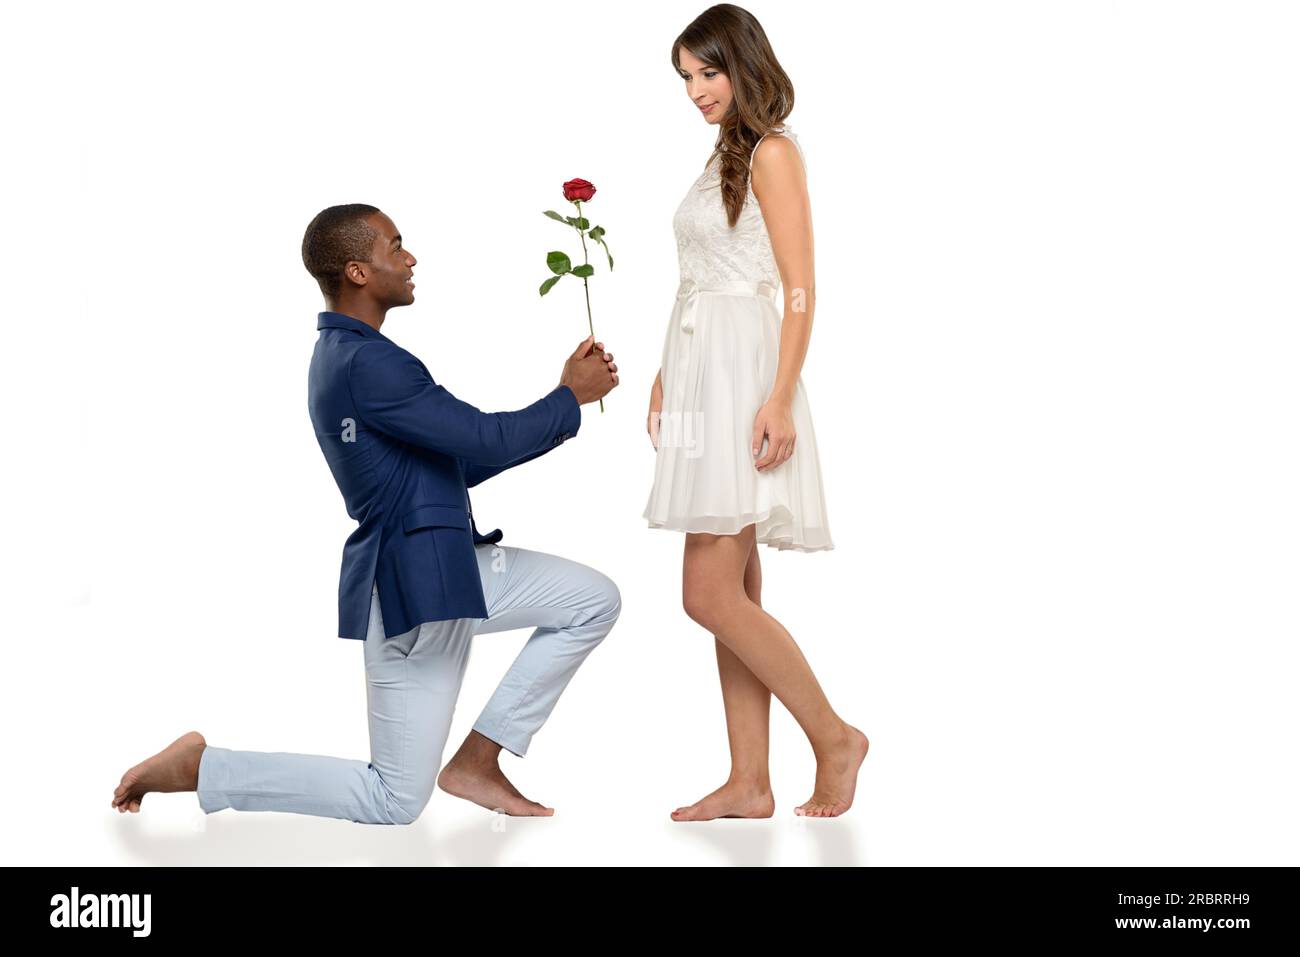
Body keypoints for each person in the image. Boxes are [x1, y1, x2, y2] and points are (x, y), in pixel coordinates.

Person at [111, 204, 620, 823]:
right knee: (395, 799)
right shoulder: (371, 363)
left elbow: (454, 464)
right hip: (421, 585)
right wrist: (569, 397)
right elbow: (483, 439)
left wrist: (561, 408)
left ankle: (480, 760)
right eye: (395, 246)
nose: (410, 258)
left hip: (443, 571)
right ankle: (203, 769)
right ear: (357, 270)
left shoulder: (342, 358)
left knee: (592, 599)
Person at [643, 4, 869, 819]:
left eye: (708, 72)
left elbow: (801, 286)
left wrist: (777, 394)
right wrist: (667, 372)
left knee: (707, 592)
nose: (696, 91)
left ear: (743, 63)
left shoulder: (774, 152)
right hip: (701, 368)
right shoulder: (720, 157)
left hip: (745, 373)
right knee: (733, 590)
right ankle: (750, 780)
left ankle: (836, 738)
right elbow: (696, 273)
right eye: (686, 79)